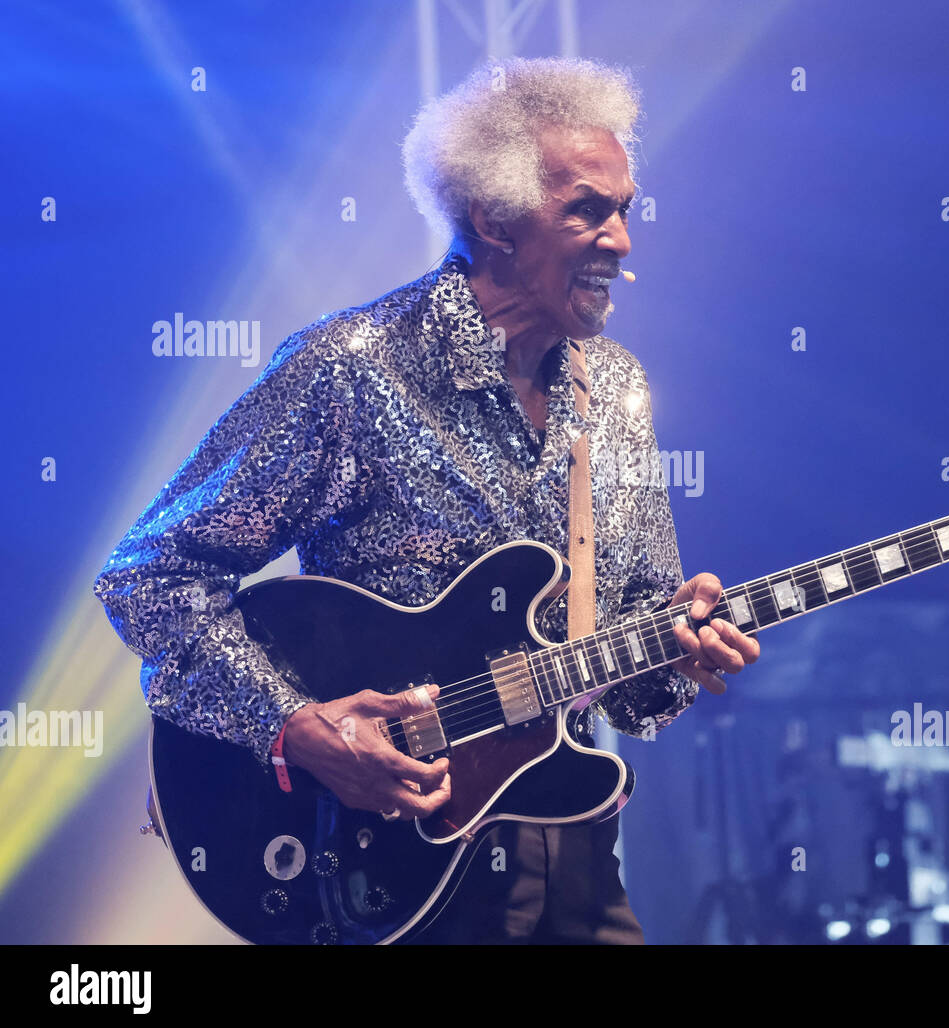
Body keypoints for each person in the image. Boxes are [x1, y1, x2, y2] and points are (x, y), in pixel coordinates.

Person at [93, 56, 759, 944]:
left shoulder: (620, 391)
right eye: (587, 209)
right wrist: (299, 729)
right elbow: (148, 575)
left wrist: (672, 646)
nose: (622, 240)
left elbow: (631, 684)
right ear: (496, 220)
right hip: (390, 855)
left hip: (575, 841)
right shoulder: (354, 369)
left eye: (624, 209)